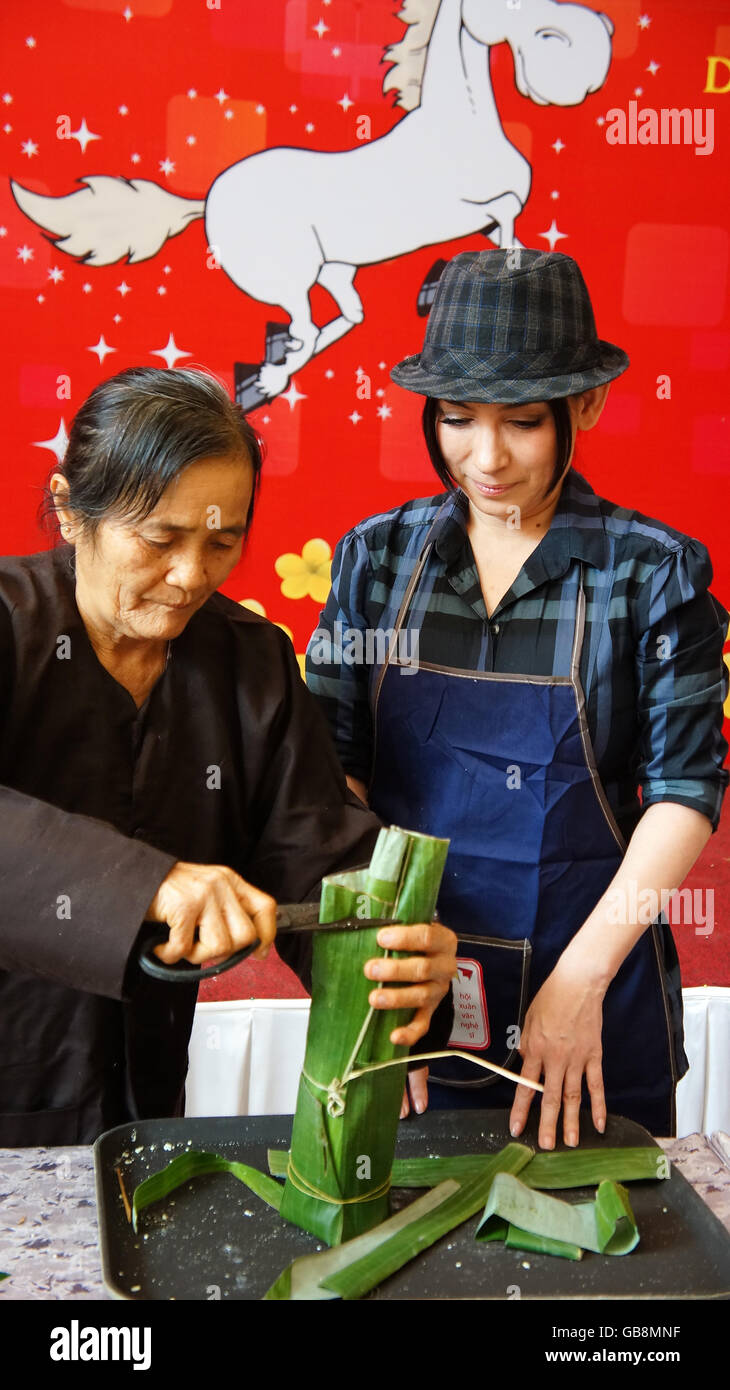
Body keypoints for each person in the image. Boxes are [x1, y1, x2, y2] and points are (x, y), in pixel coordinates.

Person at [306, 249, 729, 1147]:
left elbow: (685, 793)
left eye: (524, 423)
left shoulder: (653, 572)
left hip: (591, 987)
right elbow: (327, 770)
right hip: (408, 994)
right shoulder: (376, 561)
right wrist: (386, 967)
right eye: (456, 420)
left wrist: (577, 984)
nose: (485, 457)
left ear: (588, 405)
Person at [0, 366, 457, 1146]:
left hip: (139, 1104)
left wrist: (396, 951)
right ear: (71, 511)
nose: (190, 577)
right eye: (160, 539)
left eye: (223, 540)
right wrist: (152, 882)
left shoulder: (248, 662)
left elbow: (315, 854)